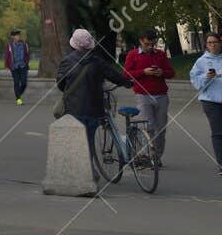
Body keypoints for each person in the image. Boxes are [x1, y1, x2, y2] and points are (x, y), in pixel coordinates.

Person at [57, 28, 134, 163]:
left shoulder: (67, 61)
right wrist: (127, 83)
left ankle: (83, 170)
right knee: (90, 139)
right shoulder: (97, 62)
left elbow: (60, 83)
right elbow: (113, 75)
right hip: (94, 109)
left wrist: (71, 91)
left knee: (77, 141)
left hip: (74, 109)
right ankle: (90, 169)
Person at [122, 29, 174, 167]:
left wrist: (161, 72)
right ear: (141, 41)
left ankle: (156, 157)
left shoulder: (160, 55)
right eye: (147, 44)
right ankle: (145, 155)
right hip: (143, 95)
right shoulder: (133, 55)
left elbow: (171, 73)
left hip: (161, 95)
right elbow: (126, 74)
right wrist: (143, 72)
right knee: (149, 126)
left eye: (152, 44)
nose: (150, 47)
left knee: (161, 129)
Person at [190, 32, 222, 177]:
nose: (213, 45)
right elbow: (195, 82)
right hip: (211, 101)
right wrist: (206, 77)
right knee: (218, 133)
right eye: (209, 43)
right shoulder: (201, 61)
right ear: (206, 45)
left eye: (215, 42)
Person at [3, 29, 29, 105]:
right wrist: (6, 65)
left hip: (23, 65)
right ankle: (18, 99)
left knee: (24, 83)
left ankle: (18, 95)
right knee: (16, 82)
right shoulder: (9, 45)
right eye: (16, 35)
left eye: (18, 35)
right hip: (14, 67)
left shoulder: (24, 44)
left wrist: (26, 62)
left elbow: (27, 54)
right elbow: (7, 55)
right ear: (12, 37)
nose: (17, 37)